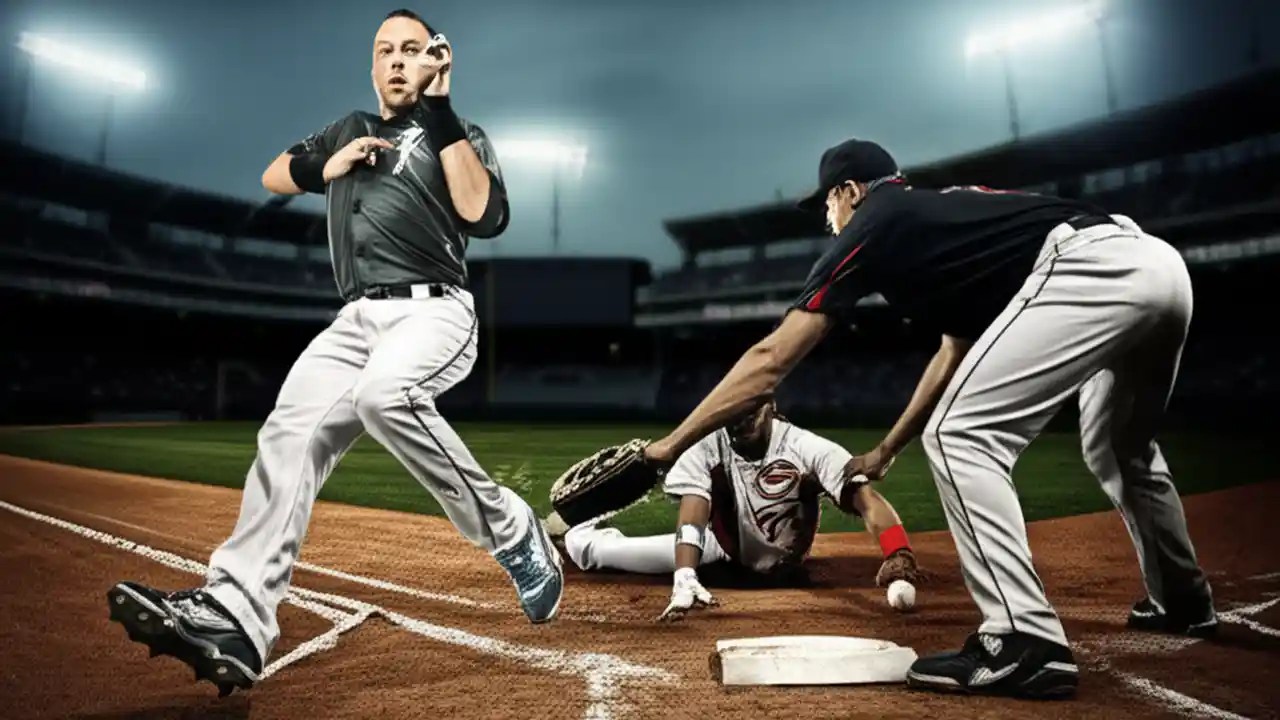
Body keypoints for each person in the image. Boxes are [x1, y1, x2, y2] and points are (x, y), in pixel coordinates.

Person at [620, 137, 1215, 699]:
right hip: (1155, 267)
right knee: (1120, 448)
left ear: (851, 190)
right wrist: (887, 449)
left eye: (826, 201)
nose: (826, 217)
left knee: (963, 436)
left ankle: (1024, 641)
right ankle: (1182, 599)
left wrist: (667, 447)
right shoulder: (935, 224)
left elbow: (770, 359)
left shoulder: (876, 223)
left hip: (1087, 271)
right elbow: (952, 352)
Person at [104, 9, 563, 696]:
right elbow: (273, 175)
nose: (399, 60)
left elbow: (484, 216)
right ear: (373, 65)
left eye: (414, 49)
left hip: (434, 310)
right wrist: (328, 165)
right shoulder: (347, 127)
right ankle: (237, 614)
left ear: (435, 62)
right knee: (288, 437)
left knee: (386, 395)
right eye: (387, 50)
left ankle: (510, 529)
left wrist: (441, 111)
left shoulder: (458, 132)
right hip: (352, 320)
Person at [557, 400, 921, 621]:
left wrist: (898, 552)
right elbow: (693, 513)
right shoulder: (708, 446)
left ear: (771, 407)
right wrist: (684, 574)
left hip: (786, 563)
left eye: (751, 412)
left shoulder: (806, 447)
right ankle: (574, 529)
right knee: (593, 551)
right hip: (718, 548)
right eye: (733, 413)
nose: (741, 421)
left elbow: (867, 500)